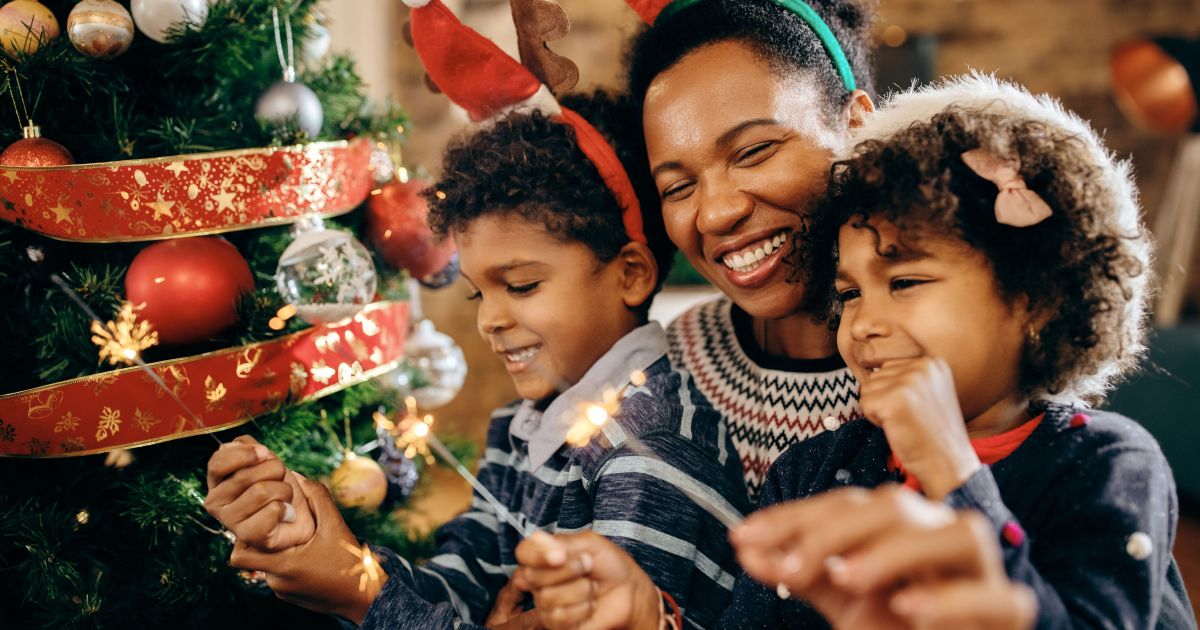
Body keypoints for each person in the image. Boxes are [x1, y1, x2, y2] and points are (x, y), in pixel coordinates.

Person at [204, 1, 749, 627]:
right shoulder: (523, 426)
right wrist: (331, 553)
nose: (489, 320)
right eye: (477, 293)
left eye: (519, 285)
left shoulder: (647, 455)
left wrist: (361, 597)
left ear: (630, 274)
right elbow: (460, 588)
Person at [723, 74, 1189, 628]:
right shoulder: (811, 473)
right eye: (848, 293)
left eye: (905, 282)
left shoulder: (1105, 463)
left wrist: (952, 469)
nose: (864, 322)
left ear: (1034, 299)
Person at [626, 0, 878, 502]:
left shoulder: (958, 363)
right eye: (677, 188)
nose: (715, 213)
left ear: (857, 126)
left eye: (753, 152)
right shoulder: (668, 376)